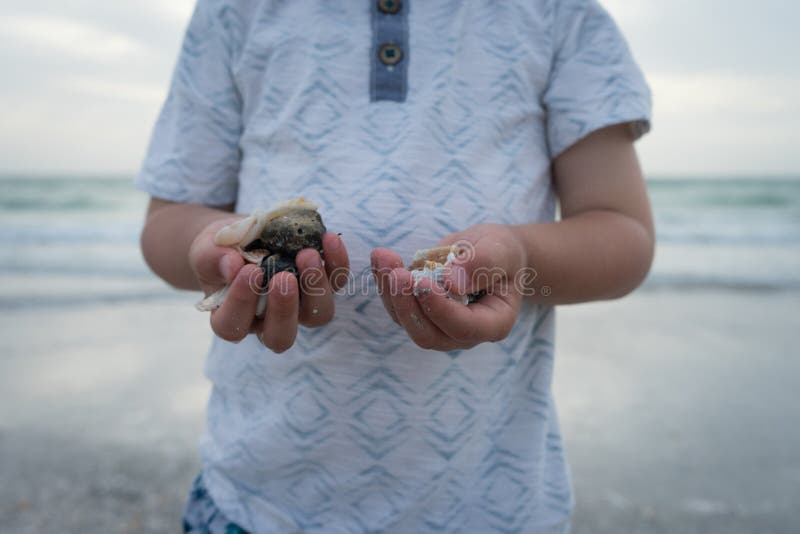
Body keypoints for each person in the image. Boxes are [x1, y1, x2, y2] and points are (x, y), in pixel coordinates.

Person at [138, 0, 653, 532]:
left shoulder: (557, 12)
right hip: (255, 501)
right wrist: (215, 251)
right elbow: (165, 224)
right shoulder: (234, 10)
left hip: (494, 505)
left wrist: (520, 257)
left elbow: (623, 234)